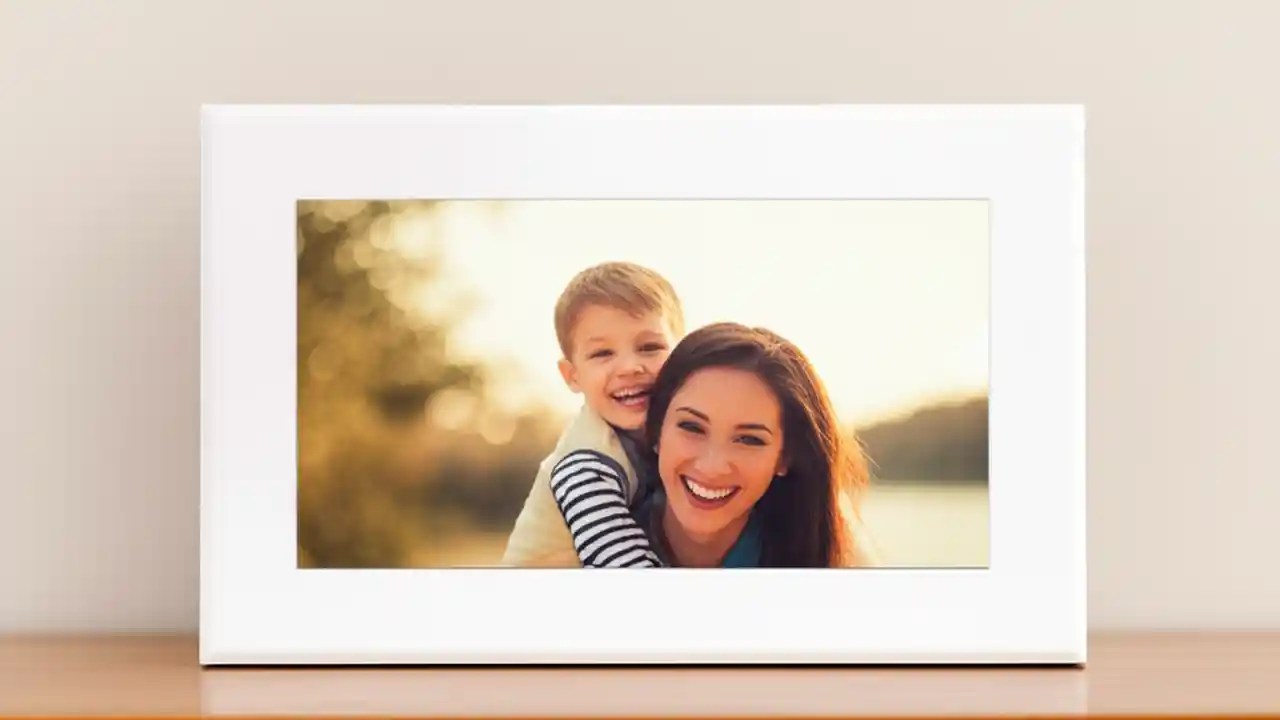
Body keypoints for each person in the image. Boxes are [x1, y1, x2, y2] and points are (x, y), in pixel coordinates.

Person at [635, 322, 874, 567]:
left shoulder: (835, 571)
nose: (712, 466)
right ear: (656, 430)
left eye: (749, 439)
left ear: (785, 457)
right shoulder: (597, 537)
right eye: (692, 427)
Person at [500, 262, 684, 567]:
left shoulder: (660, 440)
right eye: (602, 353)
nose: (629, 367)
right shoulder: (585, 466)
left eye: (650, 347)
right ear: (572, 376)